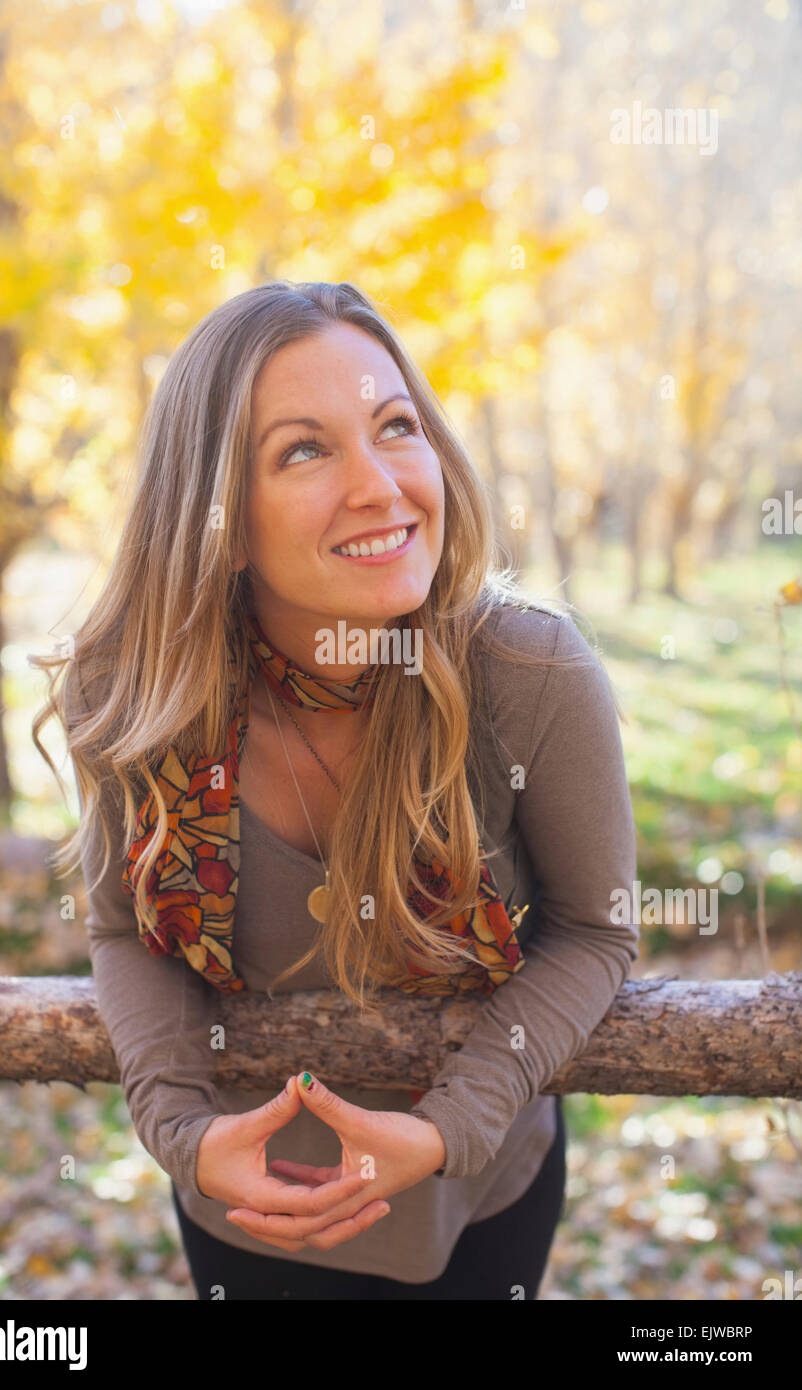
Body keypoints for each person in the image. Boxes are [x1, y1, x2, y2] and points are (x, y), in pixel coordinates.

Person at [33, 279, 639, 1301]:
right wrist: (181, 1133)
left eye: (394, 426)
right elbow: (123, 928)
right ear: (218, 513)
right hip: (245, 1209)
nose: (380, 486)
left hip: (476, 1193)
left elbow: (594, 931)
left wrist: (448, 1126)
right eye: (304, 449)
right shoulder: (141, 690)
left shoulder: (529, 673)